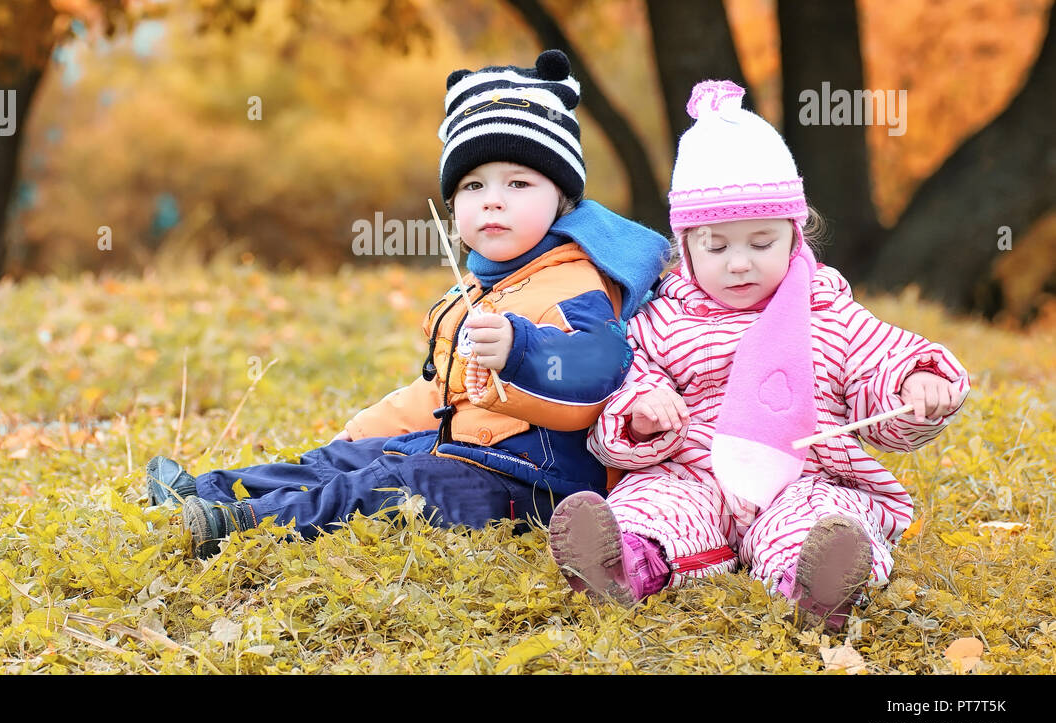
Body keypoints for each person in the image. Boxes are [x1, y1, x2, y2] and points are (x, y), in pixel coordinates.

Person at [145, 49, 670, 558]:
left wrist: (520, 349)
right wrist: (366, 428)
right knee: (351, 456)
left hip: (534, 481)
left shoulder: (575, 280)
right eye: (472, 185)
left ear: (562, 200)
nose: (492, 199)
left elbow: (599, 376)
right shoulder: (483, 285)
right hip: (464, 450)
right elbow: (438, 392)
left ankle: (241, 527)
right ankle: (207, 491)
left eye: (518, 182)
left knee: (393, 485)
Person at [548, 79, 970, 631]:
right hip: (694, 473)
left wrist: (916, 383)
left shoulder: (827, 312)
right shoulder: (666, 319)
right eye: (717, 247)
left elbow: (880, 361)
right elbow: (626, 385)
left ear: (796, 237)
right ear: (685, 246)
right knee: (655, 506)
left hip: (806, 477)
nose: (739, 264)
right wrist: (642, 412)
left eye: (761, 243)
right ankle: (622, 564)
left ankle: (820, 589)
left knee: (820, 520)